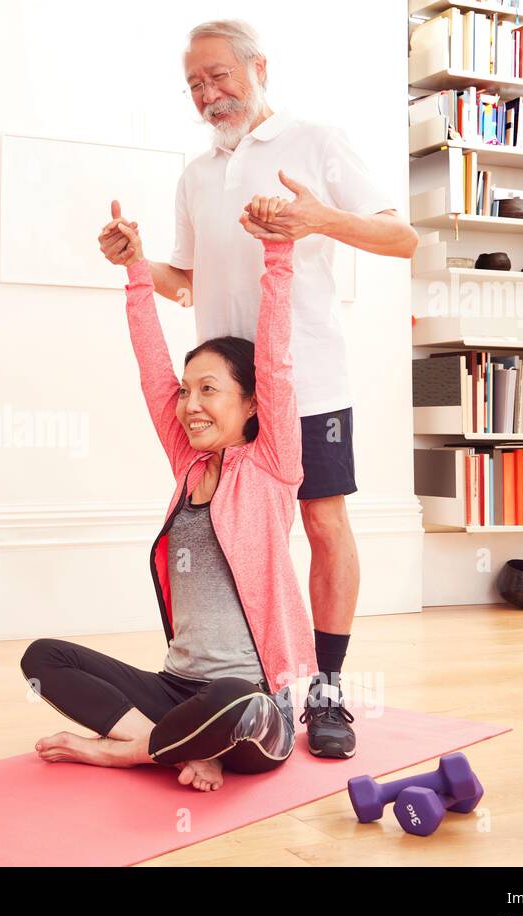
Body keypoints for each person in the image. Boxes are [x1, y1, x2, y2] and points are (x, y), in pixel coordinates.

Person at [98, 19, 419, 758]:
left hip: (306, 380)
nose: (210, 94)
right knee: (242, 539)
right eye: (196, 85)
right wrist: (139, 260)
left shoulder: (316, 140)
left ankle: (328, 688)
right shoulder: (196, 174)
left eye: (220, 76)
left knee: (323, 526)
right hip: (226, 396)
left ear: (258, 68)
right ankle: (253, 680)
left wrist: (316, 219)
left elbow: (400, 237)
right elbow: (186, 283)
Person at [20, 198, 310, 793]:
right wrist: (135, 272)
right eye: (186, 391)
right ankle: (170, 745)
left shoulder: (272, 465)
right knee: (43, 660)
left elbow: (275, 363)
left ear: (252, 403)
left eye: (210, 390)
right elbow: (151, 368)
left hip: (251, 704)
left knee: (237, 702)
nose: (190, 404)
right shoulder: (187, 465)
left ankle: (124, 752)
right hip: (175, 690)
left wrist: (278, 254)